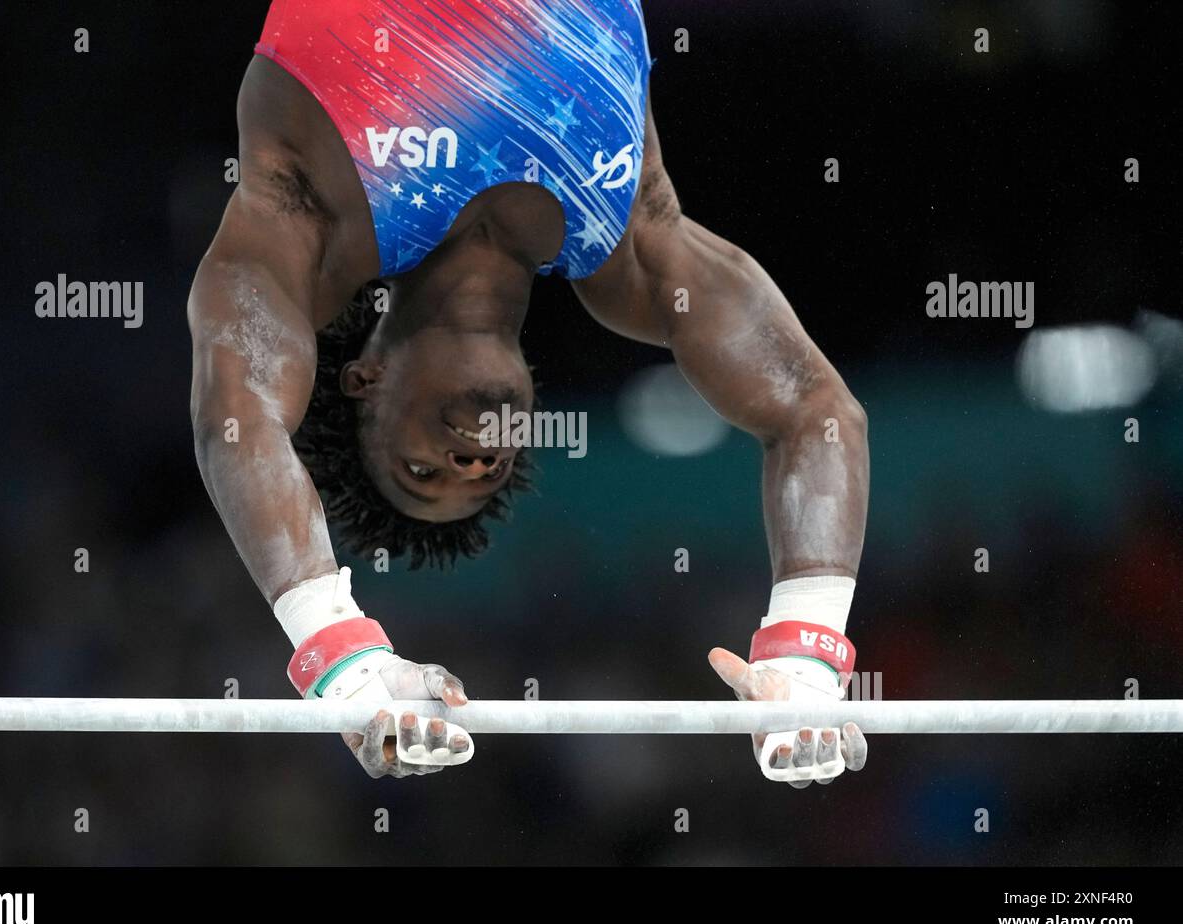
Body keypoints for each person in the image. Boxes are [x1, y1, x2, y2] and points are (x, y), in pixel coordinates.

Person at [188, 0, 870, 784]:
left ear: (364, 384)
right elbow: (818, 411)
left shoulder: (309, 214)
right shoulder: (627, 249)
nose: (473, 463)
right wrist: (805, 655)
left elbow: (237, 419)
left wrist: (337, 651)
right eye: (488, 475)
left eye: (423, 471)